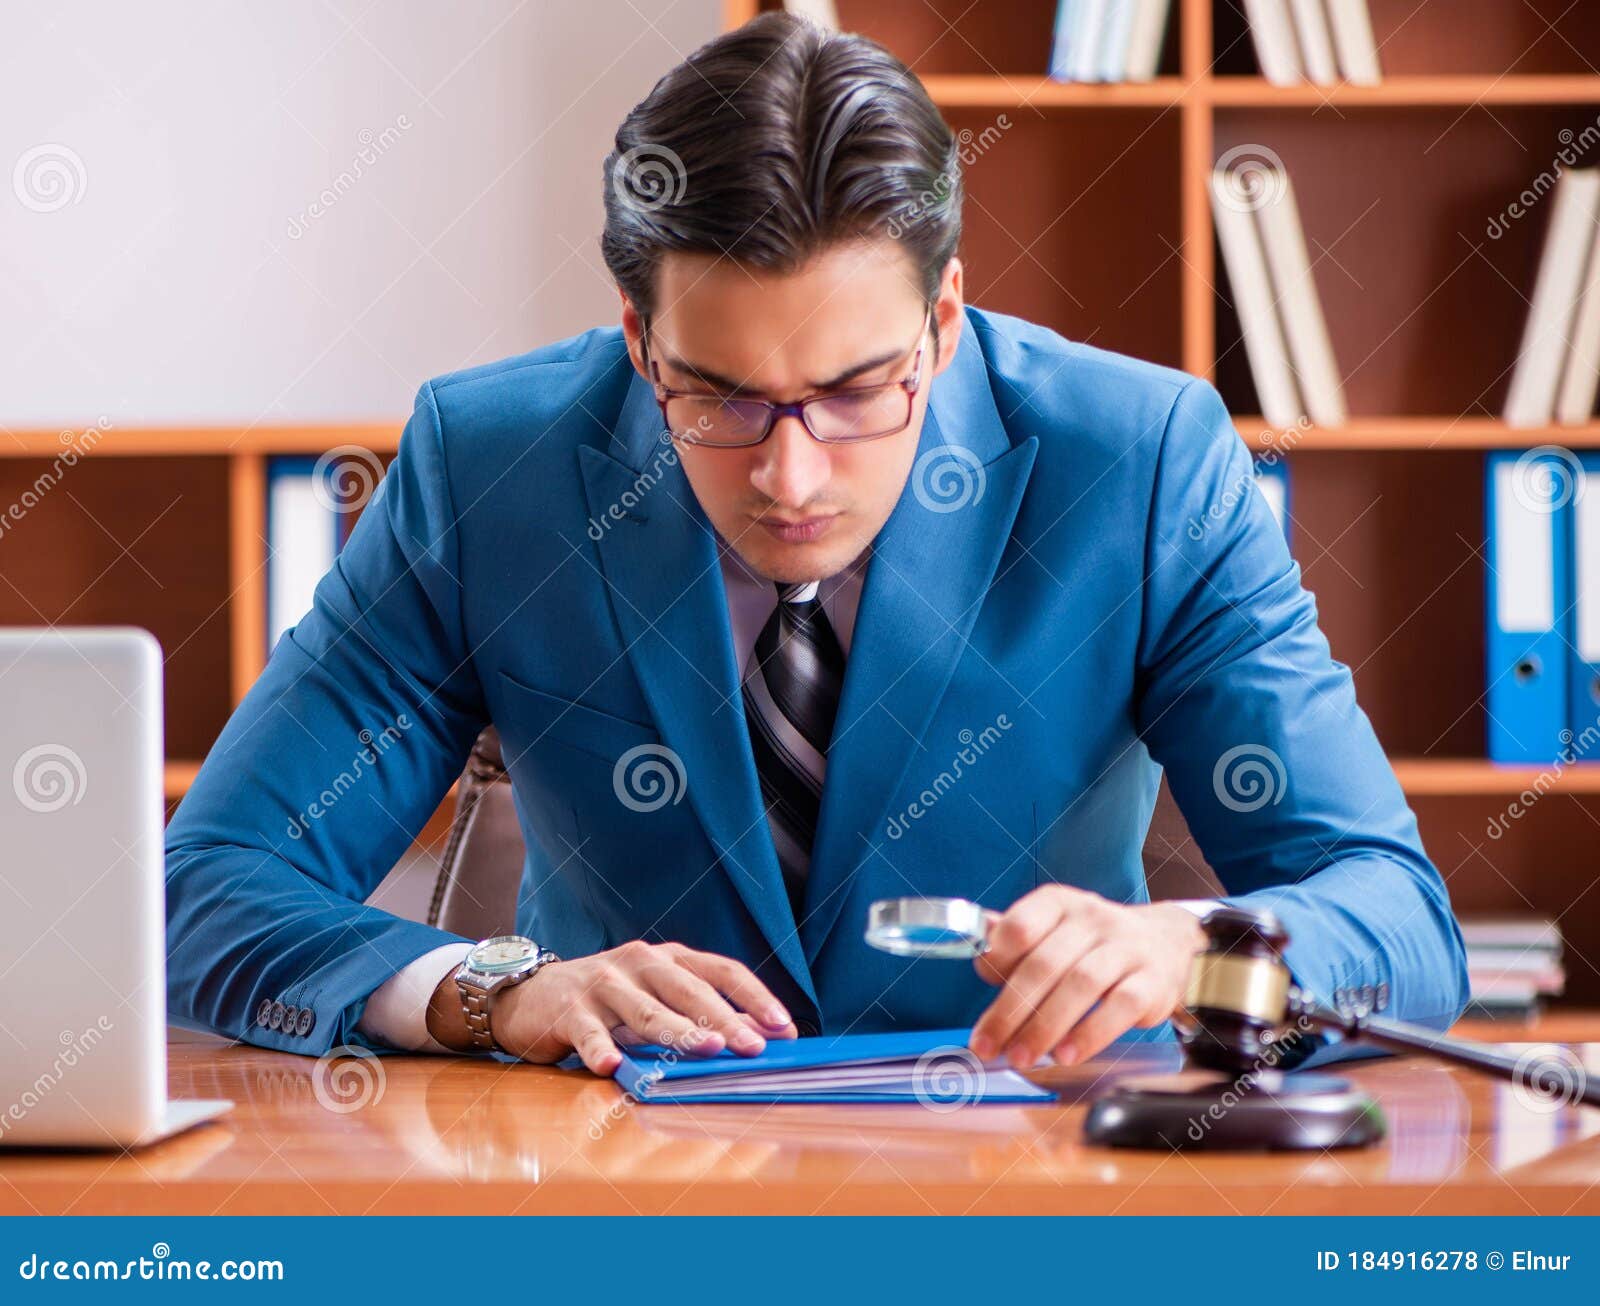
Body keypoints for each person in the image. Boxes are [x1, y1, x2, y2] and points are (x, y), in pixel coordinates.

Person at [164, 12, 1468, 1077]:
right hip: (622, 1196)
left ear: (944, 320)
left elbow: (1395, 913)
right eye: (719, 394)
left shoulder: (1140, 463)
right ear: (638, 337)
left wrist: (1190, 943)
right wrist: (495, 989)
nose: (791, 476)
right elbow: (208, 890)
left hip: (1036, 1190)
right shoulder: (488, 467)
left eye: (856, 390)